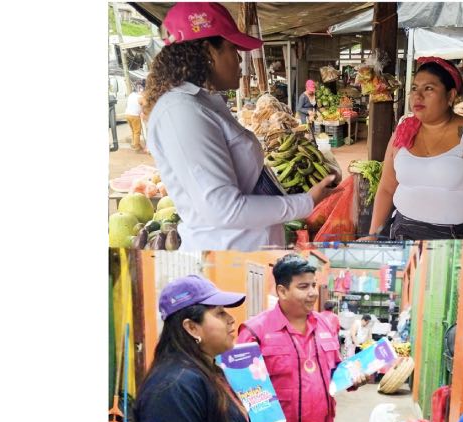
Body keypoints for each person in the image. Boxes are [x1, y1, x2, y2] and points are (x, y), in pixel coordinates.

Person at [142, 2, 336, 251]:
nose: (240, 61)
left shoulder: (202, 103)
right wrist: (305, 202)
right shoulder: (180, 112)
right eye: (233, 50)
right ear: (209, 51)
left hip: (247, 256)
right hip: (226, 262)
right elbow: (222, 208)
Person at [129, 275, 275, 422]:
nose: (231, 319)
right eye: (219, 313)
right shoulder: (173, 386)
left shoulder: (207, 371)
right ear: (191, 327)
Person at [237, 254, 369, 422]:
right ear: (282, 290)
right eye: (303, 287)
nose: (312, 294)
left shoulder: (324, 325)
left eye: (313, 285)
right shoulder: (255, 332)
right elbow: (241, 391)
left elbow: (334, 371)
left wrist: (352, 378)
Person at [364, 56, 463, 240]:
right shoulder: (403, 131)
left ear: (451, 95)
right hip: (401, 232)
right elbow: (387, 188)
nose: (417, 96)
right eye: (414, 88)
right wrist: (374, 234)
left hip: (453, 238)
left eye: (429, 88)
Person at [125, 82, 145, 152]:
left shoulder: (131, 95)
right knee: (137, 132)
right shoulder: (140, 97)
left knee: (133, 131)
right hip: (135, 116)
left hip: (127, 115)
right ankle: (136, 147)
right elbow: (144, 106)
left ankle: (134, 144)